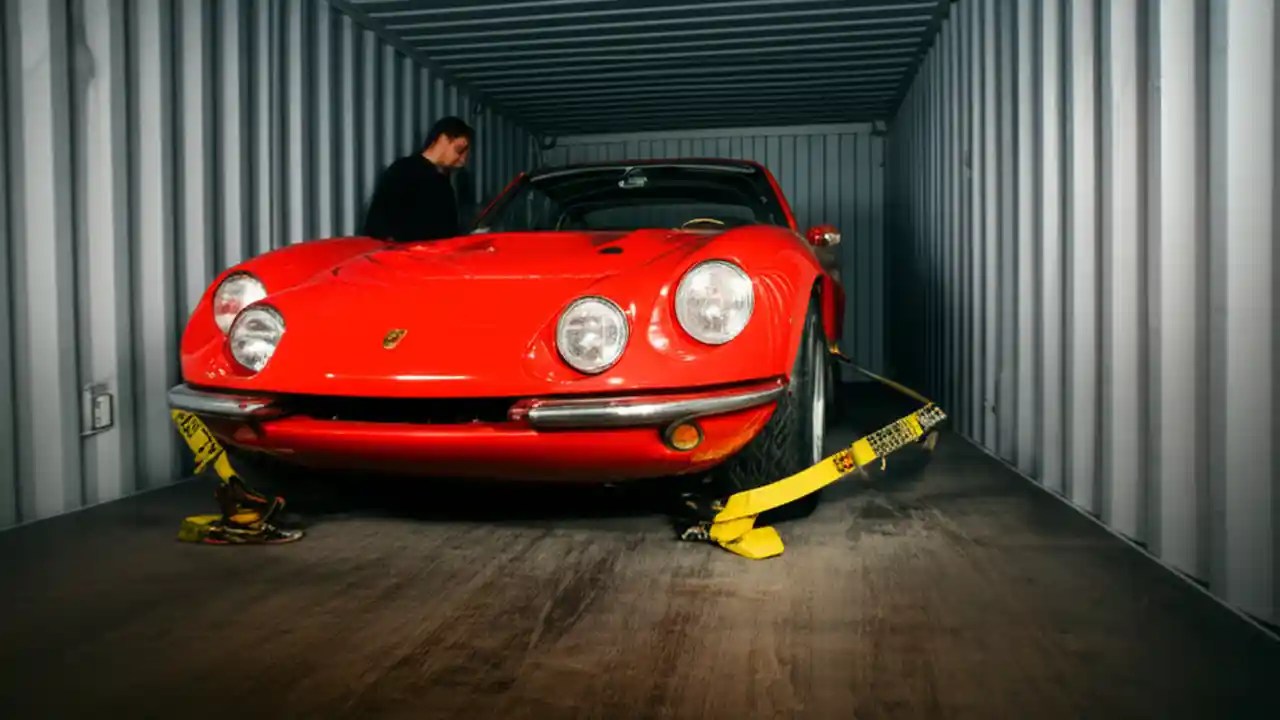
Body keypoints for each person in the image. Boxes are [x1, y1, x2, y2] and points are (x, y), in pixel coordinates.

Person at [362, 116, 473, 242]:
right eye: (459, 150)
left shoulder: (444, 184)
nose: (463, 160)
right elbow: (377, 224)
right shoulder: (402, 171)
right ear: (443, 139)